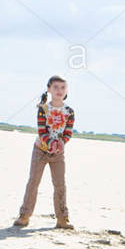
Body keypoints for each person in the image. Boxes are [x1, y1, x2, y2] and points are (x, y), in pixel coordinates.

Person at [14, 76, 75, 229]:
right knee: (33, 182)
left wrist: (61, 143)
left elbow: (68, 132)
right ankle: (24, 216)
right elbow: (42, 130)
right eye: (55, 87)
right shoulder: (43, 109)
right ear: (49, 89)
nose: (59, 91)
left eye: (62, 87)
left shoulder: (69, 111)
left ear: (66, 90)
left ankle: (62, 218)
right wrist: (51, 143)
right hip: (40, 150)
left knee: (60, 185)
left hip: (58, 154)